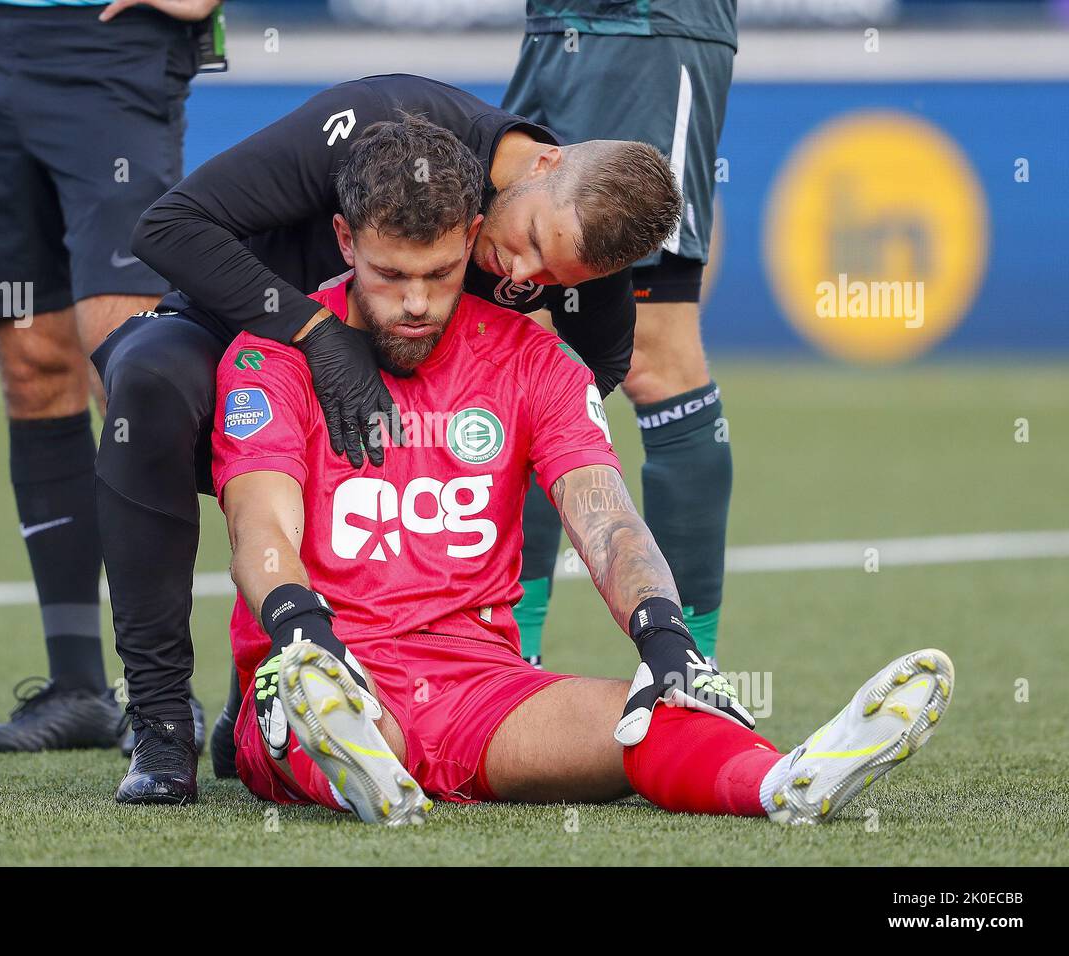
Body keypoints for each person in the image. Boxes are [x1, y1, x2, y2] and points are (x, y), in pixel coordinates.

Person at [211, 116, 954, 825]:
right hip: (327, 659)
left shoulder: (536, 363)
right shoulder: (271, 354)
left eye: (439, 275)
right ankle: (343, 739)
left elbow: (607, 520)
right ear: (345, 240)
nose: (414, 303)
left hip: (482, 692)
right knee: (330, 711)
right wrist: (300, 630)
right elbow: (260, 524)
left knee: (647, 716)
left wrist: (665, 635)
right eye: (391, 275)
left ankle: (779, 782)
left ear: (472, 240)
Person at [94, 75, 682, 803]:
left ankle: (273, 688)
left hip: (389, 379)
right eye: (528, 241)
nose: (522, 273)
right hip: (251, 337)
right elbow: (170, 226)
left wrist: (485, 425)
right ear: (546, 162)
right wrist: (313, 333)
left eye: (552, 276)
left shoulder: (574, 242)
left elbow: (593, 374)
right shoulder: (381, 118)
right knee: (146, 383)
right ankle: (158, 721)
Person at [0, 0, 219, 753]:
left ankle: (166, 695)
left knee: (132, 370)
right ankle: (76, 689)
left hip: (111, 43)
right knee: (31, 365)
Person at [503, 0, 739, 666]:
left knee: (652, 354)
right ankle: (502, 663)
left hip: (646, 33)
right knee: (515, 343)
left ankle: (693, 673)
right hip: (558, 25)